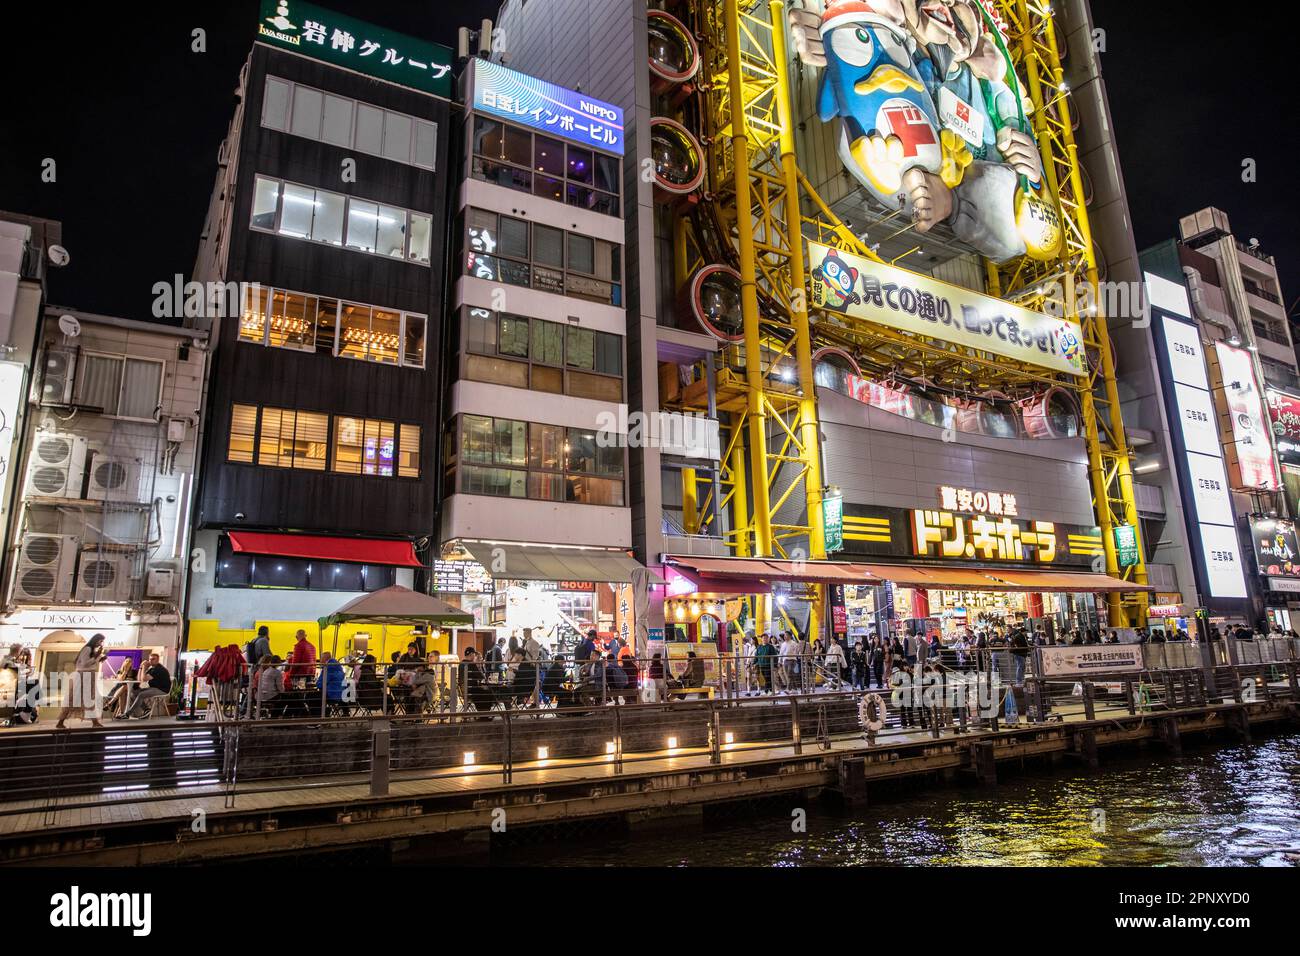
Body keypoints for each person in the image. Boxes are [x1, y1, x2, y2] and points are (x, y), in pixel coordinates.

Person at [56, 633, 108, 729]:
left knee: (88, 699)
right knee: (77, 699)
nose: (101, 643)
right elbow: (84, 663)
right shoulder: (87, 648)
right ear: (95, 640)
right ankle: (60, 722)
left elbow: (88, 662)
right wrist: (97, 657)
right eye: (100, 641)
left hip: (87, 675)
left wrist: (98, 657)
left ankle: (95, 722)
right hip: (84, 676)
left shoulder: (91, 650)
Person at [120, 653, 172, 719]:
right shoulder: (152, 669)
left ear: (158, 660)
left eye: (153, 659)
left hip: (162, 690)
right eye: (150, 659)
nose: (151, 661)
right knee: (133, 693)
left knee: (141, 694)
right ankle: (146, 709)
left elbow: (143, 679)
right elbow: (139, 679)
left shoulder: (158, 669)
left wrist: (144, 667)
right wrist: (141, 667)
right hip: (153, 688)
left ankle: (127, 714)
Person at [2, 644, 39, 726]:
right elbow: (14, 674)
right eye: (20, 652)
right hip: (11, 686)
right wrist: (26, 671)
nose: (21, 655)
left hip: (14, 685)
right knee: (35, 684)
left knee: (35, 686)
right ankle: (26, 712)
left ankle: (28, 711)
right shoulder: (8, 662)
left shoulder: (8, 660)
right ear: (18, 652)